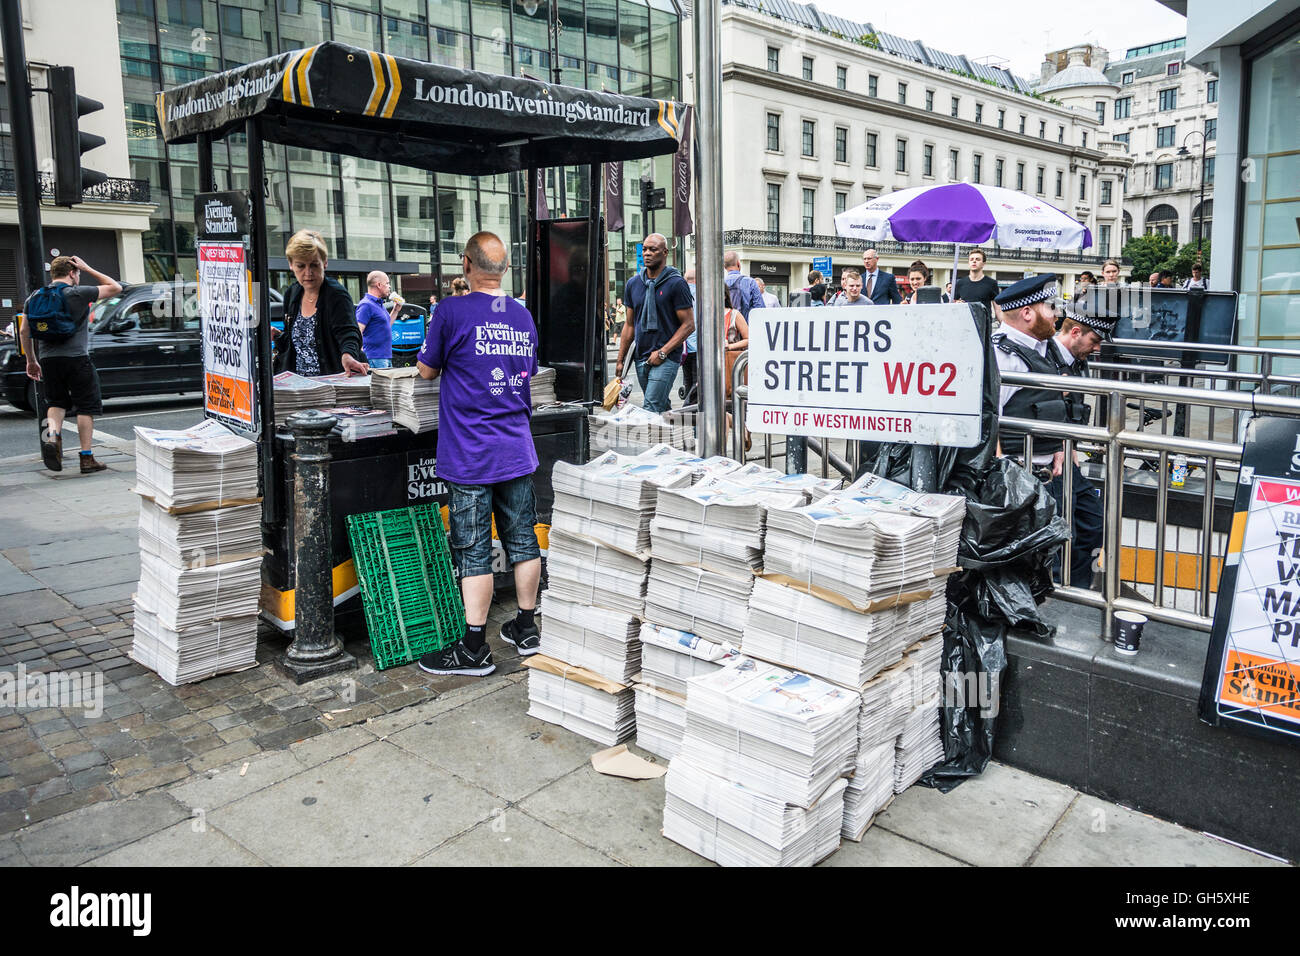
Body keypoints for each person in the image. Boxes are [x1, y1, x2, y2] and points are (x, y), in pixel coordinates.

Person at [414, 232, 542, 675]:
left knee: (472, 548)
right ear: (504, 270)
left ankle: (473, 649)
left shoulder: (450, 311)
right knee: (522, 537)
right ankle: (526, 628)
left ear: (466, 265)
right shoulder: (522, 317)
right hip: (516, 446)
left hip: (471, 451)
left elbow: (427, 371)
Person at [992, 275, 1100, 587]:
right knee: (1039, 557)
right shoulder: (1003, 355)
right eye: (1050, 307)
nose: (1056, 314)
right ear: (1028, 313)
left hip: (1045, 469)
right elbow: (990, 419)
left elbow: (1046, 404)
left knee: (1063, 542)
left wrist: (1057, 445)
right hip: (1021, 476)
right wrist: (1004, 476)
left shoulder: (1040, 349)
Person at [20, 255, 121, 473]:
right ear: (72, 273)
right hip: (77, 358)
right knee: (86, 406)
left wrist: (31, 360)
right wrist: (88, 267)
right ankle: (87, 458)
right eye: (78, 273)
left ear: (53, 274)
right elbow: (115, 287)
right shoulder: (78, 293)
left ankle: (53, 436)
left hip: (48, 360)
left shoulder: (34, 297)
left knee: (56, 402)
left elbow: (23, 331)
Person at [617, 233, 694, 415]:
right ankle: (677, 440)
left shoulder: (676, 283)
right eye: (644, 249)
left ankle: (652, 444)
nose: (647, 253)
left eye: (653, 249)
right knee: (661, 408)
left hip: (666, 358)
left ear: (665, 252)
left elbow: (689, 324)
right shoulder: (633, 283)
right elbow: (629, 325)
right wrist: (620, 360)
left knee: (650, 407)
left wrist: (663, 352)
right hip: (641, 356)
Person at [275, 230, 368, 377]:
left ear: (324, 263)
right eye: (301, 266)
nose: (308, 272)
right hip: (301, 386)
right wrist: (278, 336)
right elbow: (294, 344)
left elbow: (349, 332)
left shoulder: (337, 295)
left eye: (314, 265)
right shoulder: (291, 294)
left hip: (332, 383)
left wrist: (348, 355)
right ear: (291, 265)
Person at [356, 271, 401, 370]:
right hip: (374, 358)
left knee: (387, 385)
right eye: (387, 283)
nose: (389, 287)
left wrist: (396, 310)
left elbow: (386, 325)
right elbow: (357, 331)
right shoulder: (366, 305)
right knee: (382, 386)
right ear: (379, 285)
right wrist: (361, 354)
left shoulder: (378, 304)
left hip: (384, 356)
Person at [723, 250, 765, 318]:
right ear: (738, 264)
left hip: (727, 327)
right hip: (747, 326)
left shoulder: (720, 284)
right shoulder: (750, 282)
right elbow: (760, 309)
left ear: (724, 267)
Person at [681, 268, 698, 401]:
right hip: (700, 346)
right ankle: (692, 410)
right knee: (697, 383)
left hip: (685, 347)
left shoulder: (682, 294)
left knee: (688, 380)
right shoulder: (703, 295)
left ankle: (687, 413)